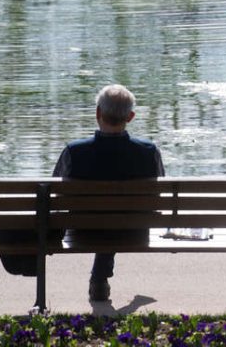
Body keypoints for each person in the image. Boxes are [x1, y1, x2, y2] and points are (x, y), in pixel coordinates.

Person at [52, 84, 165, 302]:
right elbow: (157, 195)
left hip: (82, 231)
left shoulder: (74, 152)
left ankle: (98, 279)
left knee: (104, 219)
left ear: (97, 113)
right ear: (130, 117)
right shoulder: (148, 152)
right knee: (116, 218)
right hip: (135, 231)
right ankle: (99, 278)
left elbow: (55, 191)